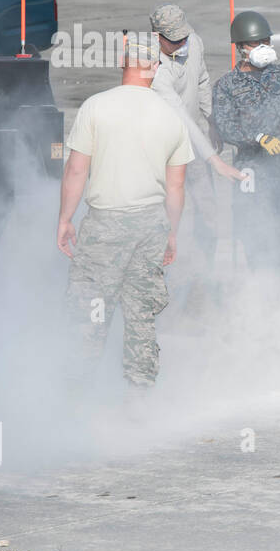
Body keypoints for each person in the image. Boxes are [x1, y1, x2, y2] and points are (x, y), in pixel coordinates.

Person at [57, 41, 193, 391]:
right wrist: (172, 234)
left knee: (90, 309)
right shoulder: (171, 117)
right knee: (141, 314)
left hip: (104, 226)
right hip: (151, 226)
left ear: (123, 62)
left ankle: (73, 395)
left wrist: (65, 219)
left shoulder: (95, 107)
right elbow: (176, 189)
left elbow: (76, 170)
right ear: (156, 68)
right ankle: (139, 397)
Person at [148, 4, 245, 263]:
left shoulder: (194, 43)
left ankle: (207, 264)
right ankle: (160, 262)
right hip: (163, 147)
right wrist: (214, 159)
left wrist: (213, 121)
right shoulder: (154, 68)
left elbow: (202, 80)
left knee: (208, 206)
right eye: (175, 40)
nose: (182, 43)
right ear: (158, 37)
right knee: (164, 207)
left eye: (184, 36)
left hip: (195, 138)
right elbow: (179, 116)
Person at [211, 10, 280, 271]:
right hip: (253, 171)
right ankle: (262, 291)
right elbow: (225, 127)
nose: (263, 47)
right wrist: (258, 137)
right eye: (255, 43)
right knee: (256, 232)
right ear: (240, 47)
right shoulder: (226, 85)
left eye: (266, 41)